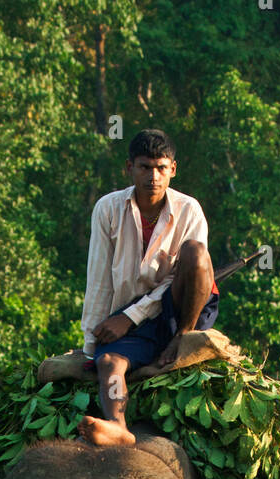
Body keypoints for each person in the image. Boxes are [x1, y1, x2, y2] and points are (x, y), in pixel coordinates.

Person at [77, 129, 218, 447]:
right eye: (144, 167)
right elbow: (99, 279)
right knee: (110, 364)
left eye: (160, 168)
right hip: (133, 320)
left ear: (173, 169)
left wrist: (131, 317)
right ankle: (117, 426)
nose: (153, 176)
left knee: (196, 252)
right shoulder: (108, 209)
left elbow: (179, 276)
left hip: (181, 309)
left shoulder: (189, 210)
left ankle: (182, 337)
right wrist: (91, 346)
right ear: (129, 168)